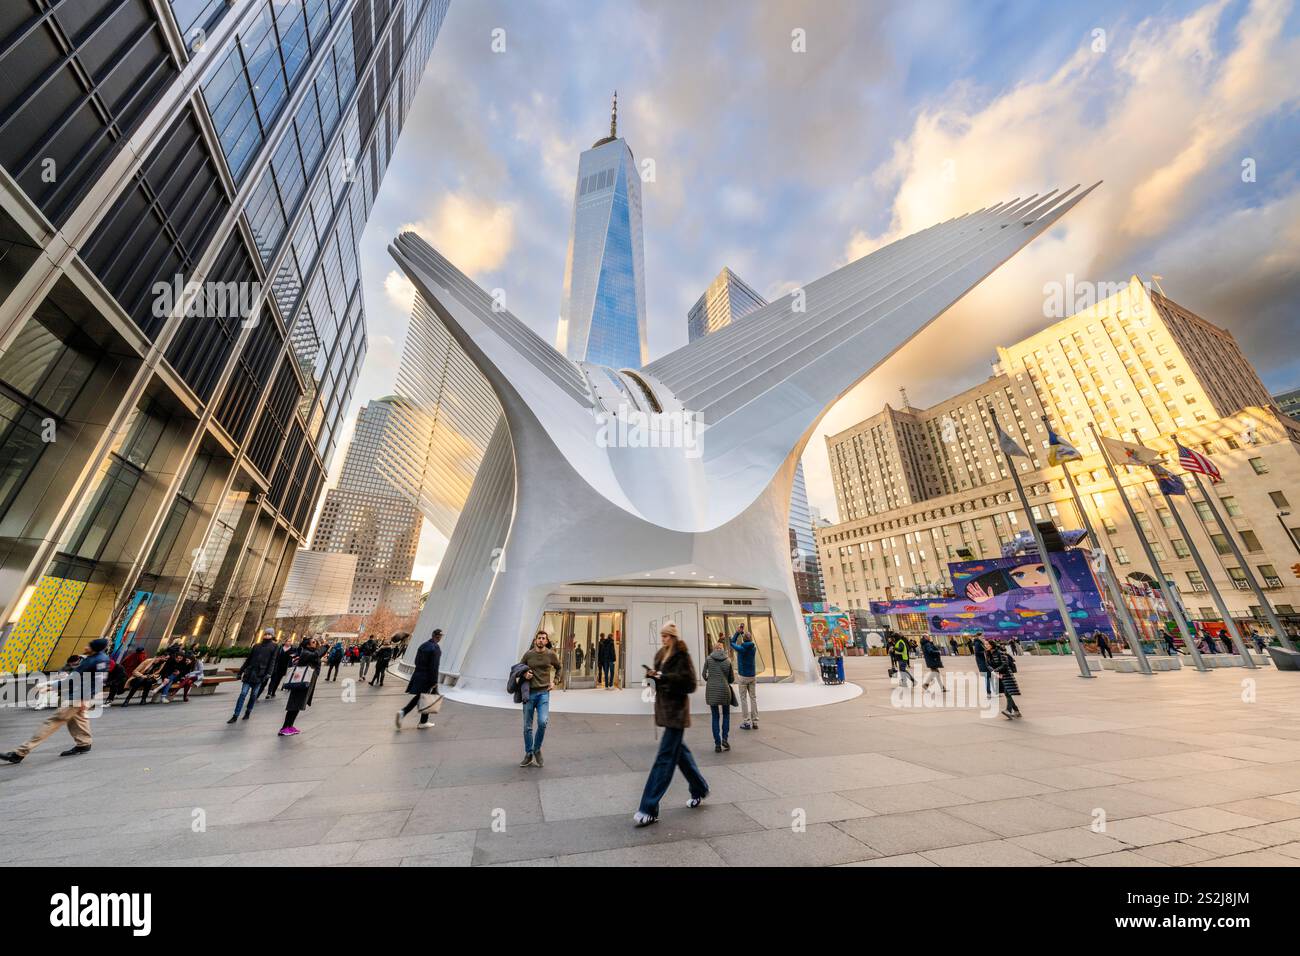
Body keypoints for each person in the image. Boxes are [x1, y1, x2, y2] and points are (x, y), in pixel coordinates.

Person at [634, 623, 708, 827]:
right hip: (664, 710)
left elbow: (690, 684)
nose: (663, 639)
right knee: (680, 755)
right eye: (662, 635)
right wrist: (652, 677)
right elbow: (659, 681)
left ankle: (648, 808)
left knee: (665, 758)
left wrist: (664, 677)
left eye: (667, 636)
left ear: (674, 637)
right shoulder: (660, 654)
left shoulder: (682, 655)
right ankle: (700, 788)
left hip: (676, 713)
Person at [1, 639, 112, 764]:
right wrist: (52, 686)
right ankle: (84, 743)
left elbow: (94, 681)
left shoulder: (97, 660)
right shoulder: (96, 658)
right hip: (78, 695)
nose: (86, 647)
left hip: (78, 697)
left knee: (52, 722)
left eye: (89, 645)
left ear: (94, 648)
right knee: (77, 719)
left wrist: (83, 698)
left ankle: (20, 752)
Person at [518, 631, 561, 766]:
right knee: (527, 726)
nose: (541, 640)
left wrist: (555, 681)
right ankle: (528, 753)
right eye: (539, 638)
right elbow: (518, 669)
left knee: (542, 722)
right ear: (535, 640)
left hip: (543, 693)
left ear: (547, 641)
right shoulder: (528, 654)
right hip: (529, 694)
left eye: (543, 638)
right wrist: (525, 674)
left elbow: (559, 668)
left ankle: (537, 749)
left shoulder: (551, 654)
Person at [395, 629, 442, 731]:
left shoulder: (423, 645)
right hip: (428, 677)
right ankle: (409, 715)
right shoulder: (435, 648)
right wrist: (434, 681)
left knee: (422, 696)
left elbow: (416, 661)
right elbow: (434, 666)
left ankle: (416, 718)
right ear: (438, 637)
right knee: (426, 697)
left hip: (418, 674)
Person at [229, 632, 279, 723]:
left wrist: (269, 673)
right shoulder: (256, 646)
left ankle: (248, 711)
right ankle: (235, 715)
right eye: (266, 634)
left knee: (253, 695)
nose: (267, 635)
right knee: (243, 694)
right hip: (249, 673)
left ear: (272, 636)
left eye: (269, 634)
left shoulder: (274, 647)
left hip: (260, 674)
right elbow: (248, 659)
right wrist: (240, 672)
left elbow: (273, 661)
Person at [279, 637, 322, 737]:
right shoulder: (305, 652)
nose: (315, 643)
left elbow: (318, 654)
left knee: (298, 705)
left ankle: (290, 726)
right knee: (294, 705)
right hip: (300, 682)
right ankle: (284, 727)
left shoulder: (311, 652)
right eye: (313, 642)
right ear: (307, 645)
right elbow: (317, 654)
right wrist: (326, 646)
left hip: (306, 681)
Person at [702, 638, 735, 753]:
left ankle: (717, 744)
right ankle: (725, 739)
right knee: (726, 714)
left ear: (714, 649)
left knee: (715, 717)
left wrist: (709, 680)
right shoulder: (728, 660)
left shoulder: (709, 659)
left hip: (712, 690)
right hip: (725, 690)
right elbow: (731, 679)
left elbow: (703, 674)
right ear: (722, 649)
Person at [730, 627, 759, 730]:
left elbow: (732, 642)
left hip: (743, 676)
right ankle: (755, 721)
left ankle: (746, 722)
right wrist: (743, 633)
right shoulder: (753, 648)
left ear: (744, 640)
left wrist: (737, 633)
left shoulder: (741, 649)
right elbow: (748, 642)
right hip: (752, 676)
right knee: (753, 698)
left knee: (743, 699)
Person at [985, 639, 1021, 719]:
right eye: (985, 644)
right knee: (1007, 693)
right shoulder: (987, 653)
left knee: (1008, 693)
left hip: (1006, 675)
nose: (986, 646)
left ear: (992, 645)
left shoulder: (1000, 653)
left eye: (987, 644)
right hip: (998, 675)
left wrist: (996, 671)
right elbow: (987, 665)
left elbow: (1005, 664)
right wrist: (994, 672)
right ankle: (1017, 711)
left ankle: (1008, 710)